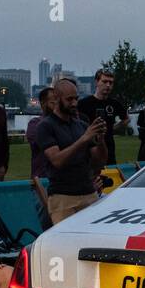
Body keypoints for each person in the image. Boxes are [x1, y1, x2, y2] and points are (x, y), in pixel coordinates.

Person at [34, 78, 106, 224]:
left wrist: (101, 139)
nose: (74, 103)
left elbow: (99, 161)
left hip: (88, 192)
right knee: (66, 243)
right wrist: (84, 139)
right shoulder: (46, 126)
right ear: (56, 98)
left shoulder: (81, 125)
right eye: (69, 99)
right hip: (63, 196)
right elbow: (57, 160)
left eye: (76, 99)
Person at [77, 69, 131, 166]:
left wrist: (112, 129)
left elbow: (126, 119)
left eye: (111, 82)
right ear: (97, 82)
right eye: (105, 81)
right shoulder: (83, 104)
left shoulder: (114, 104)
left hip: (109, 147)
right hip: (89, 148)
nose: (108, 85)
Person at [28, 87, 55, 179]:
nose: (57, 105)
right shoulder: (34, 123)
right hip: (41, 177)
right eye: (53, 102)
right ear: (43, 103)